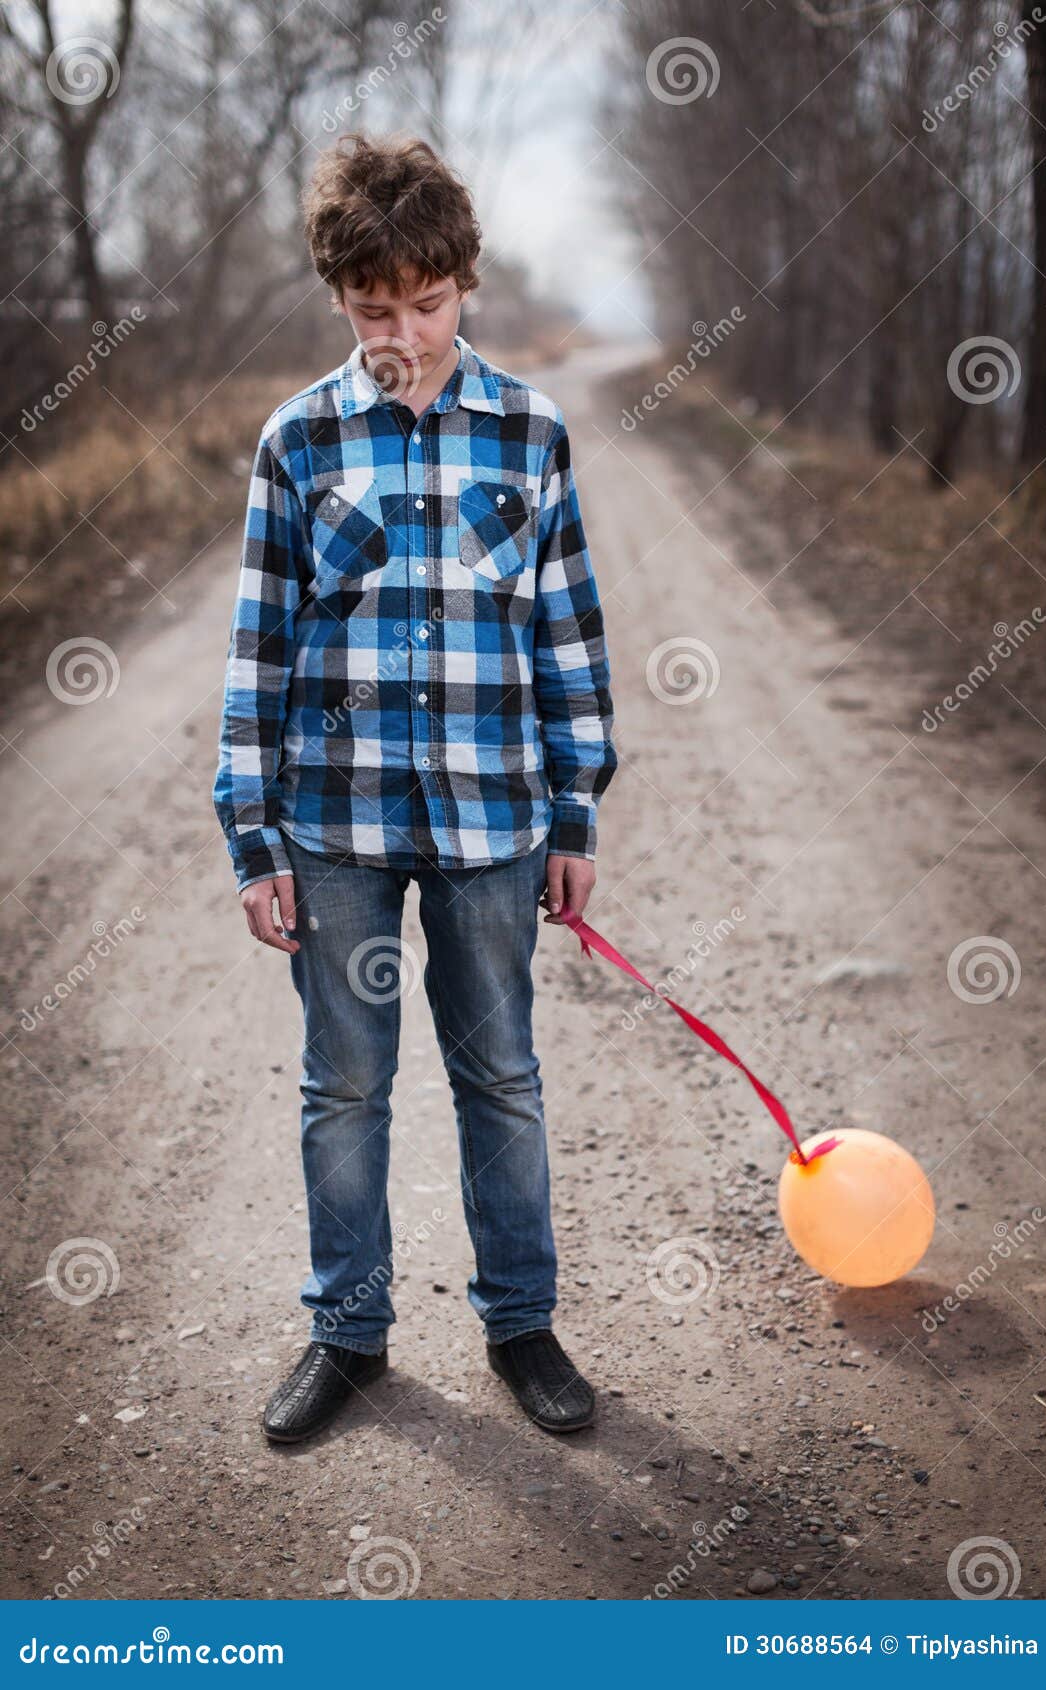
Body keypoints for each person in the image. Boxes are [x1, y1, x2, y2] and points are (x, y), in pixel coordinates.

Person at [212, 131, 618, 1444]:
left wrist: (574, 809)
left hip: (496, 818)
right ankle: (348, 1331)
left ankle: (522, 1322)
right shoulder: (299, 440)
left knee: (500, 1070)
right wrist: (252, 831)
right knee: (344, 1082)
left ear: (468, 282)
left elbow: (566, 635)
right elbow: (260, 644)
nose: (403, 332)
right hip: (333, 820)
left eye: (428, 304)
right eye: (373, 307)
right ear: (339, 295)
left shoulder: (530, 432)